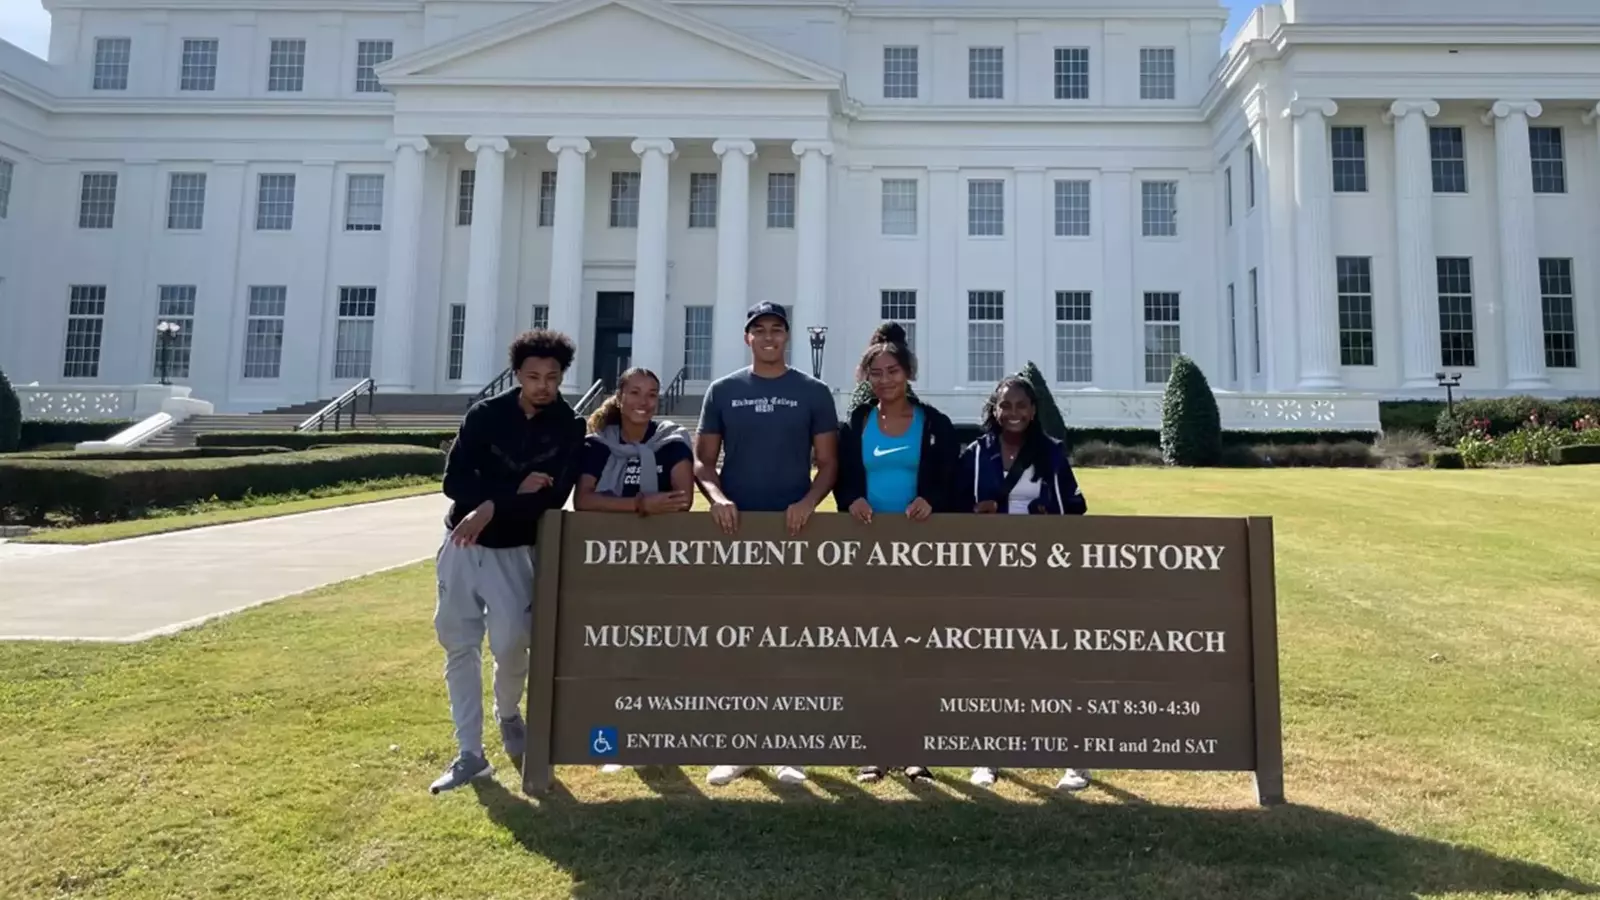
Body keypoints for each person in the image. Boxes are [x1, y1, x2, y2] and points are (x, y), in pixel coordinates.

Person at [429, 330, 586, 794]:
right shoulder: (485, 414)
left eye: (552, 378)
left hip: (516, 550)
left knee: (513, 643)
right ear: (517, 375)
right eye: (534, 376)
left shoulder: (569, 427)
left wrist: (494, 505)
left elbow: (554, 497)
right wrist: (506, 493)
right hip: (461, 544)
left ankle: (509, 712)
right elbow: (455, 478)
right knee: (460, 644)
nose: (543, 385)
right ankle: (469, 754)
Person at [694, 301, 839, 787]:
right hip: (737, 535)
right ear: (747, 338)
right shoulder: (724, 390)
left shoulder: (812, 391)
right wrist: (716, 497)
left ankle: (789, 746)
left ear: (788, 337)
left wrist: (809, 501)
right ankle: (738, 745)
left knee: (790, 639)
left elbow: (829, 464)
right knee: (739, 641)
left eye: (778, 329)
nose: (769, 337)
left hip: (793, 534)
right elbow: (702, 462)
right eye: (760, 330)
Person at [833, 322, 958, 784]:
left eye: (893, 371)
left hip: (920, 555)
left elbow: (950, 481)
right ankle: (875, 748)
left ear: (908, 373)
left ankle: (916, 750)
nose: (884, 380)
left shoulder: (935, 424)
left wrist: (933, 500)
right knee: (872, 653)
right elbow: (843, 477)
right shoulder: (857, 424)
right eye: (876, 373)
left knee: (916, 652)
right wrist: (851, 500)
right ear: (867, 378)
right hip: (867, 553)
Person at [957, 375, 1091, 793]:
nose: (1013, 413)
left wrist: (1048, 514)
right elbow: (951, 509)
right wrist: (973, 512)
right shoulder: (976, 455)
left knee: (1054, 663)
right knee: (990, 666)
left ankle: (1075, 759)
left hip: (1042, 572)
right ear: (993, 410)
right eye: (1005, 406)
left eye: (1021, 405)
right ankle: (987, 755)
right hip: (988, 574)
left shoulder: (1050, 453)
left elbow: (1076, 507)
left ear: (1033, 410)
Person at [574, 366, 695, 775]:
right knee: (613, 657)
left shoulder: (672, 443)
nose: (644, 402)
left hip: (661, 564)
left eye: (652, 394)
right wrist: (640, 505)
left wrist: (631, 504)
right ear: (620, 396)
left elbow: (681, 500)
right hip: (609, 563)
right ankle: (613, 741)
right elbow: (584, 501)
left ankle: (655, 738)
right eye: (636, 393)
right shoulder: (597, 445)